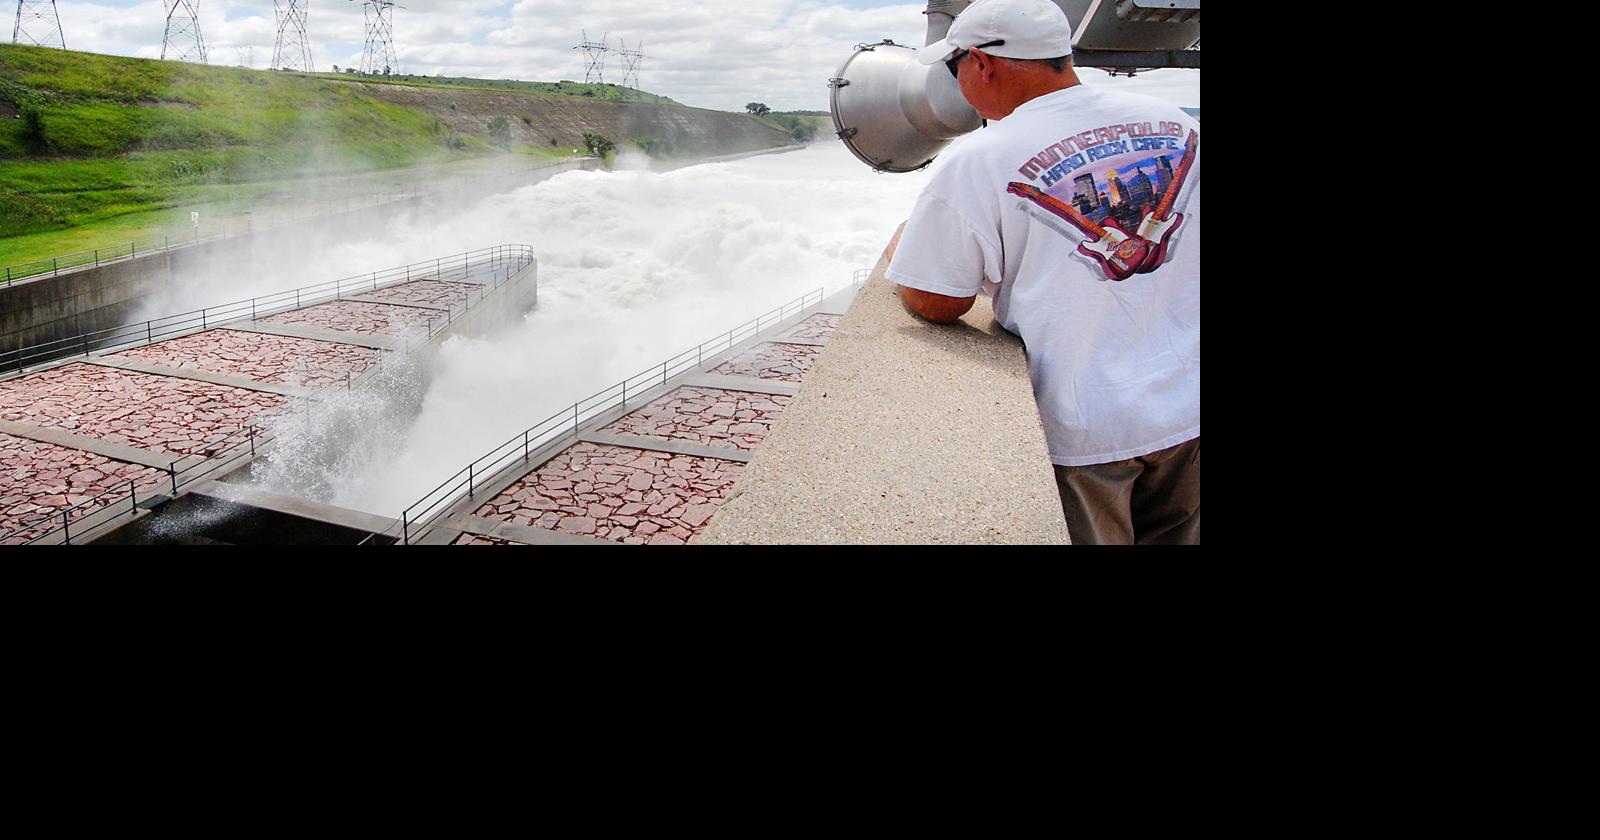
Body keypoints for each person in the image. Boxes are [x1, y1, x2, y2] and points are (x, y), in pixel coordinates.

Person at [885, 0, 1200, 545]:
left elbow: (937, 301)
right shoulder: (1176, 123)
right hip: (1188, 410)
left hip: (1088, 431)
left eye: (952, 67)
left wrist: (903, 255)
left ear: (981, 63)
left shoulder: (981, 157)